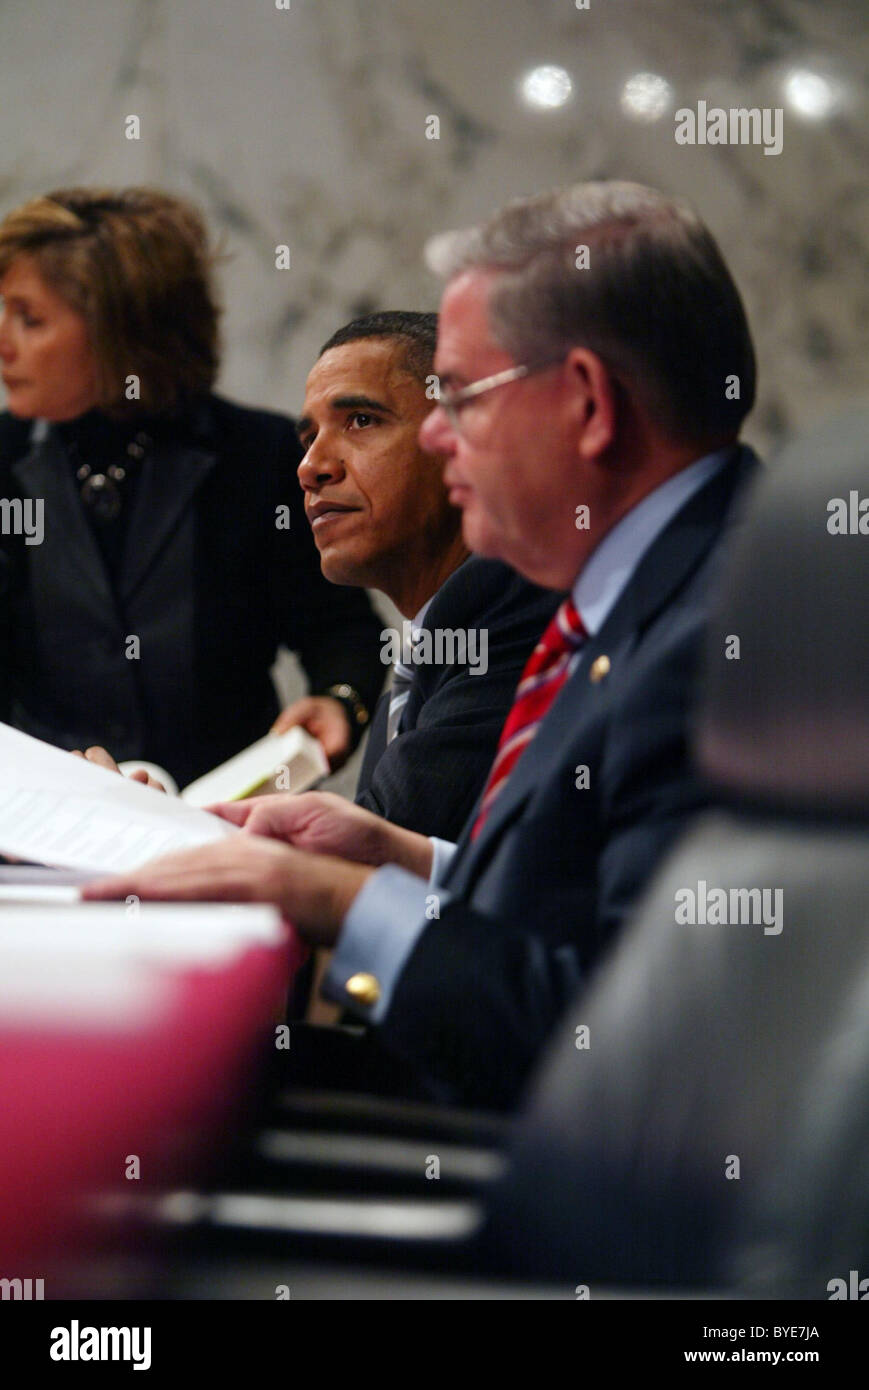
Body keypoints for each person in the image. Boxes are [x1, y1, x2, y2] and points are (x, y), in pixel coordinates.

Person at [85, 180, 761, 1111]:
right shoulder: (650, 594)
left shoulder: (725, 633)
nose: (441, 437)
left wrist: (337, 898)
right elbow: (577, 919)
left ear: (588, 406)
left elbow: (633, 1054)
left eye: (464, 399)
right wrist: (392, 857)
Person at [0, 187, 383, 791]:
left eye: (30, 319)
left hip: (221, 818)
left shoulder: (258, 455)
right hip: (39, 827)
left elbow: (343, 631)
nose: (4, 341)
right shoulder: (5, 456)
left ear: (120, 328)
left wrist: (339, 701)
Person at [281, 310, 561, 839]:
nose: (311, 467)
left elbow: (375, 853)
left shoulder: (513, 608)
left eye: (361, 420)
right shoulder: (425, 659)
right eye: (308, 438)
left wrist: (154, 828)